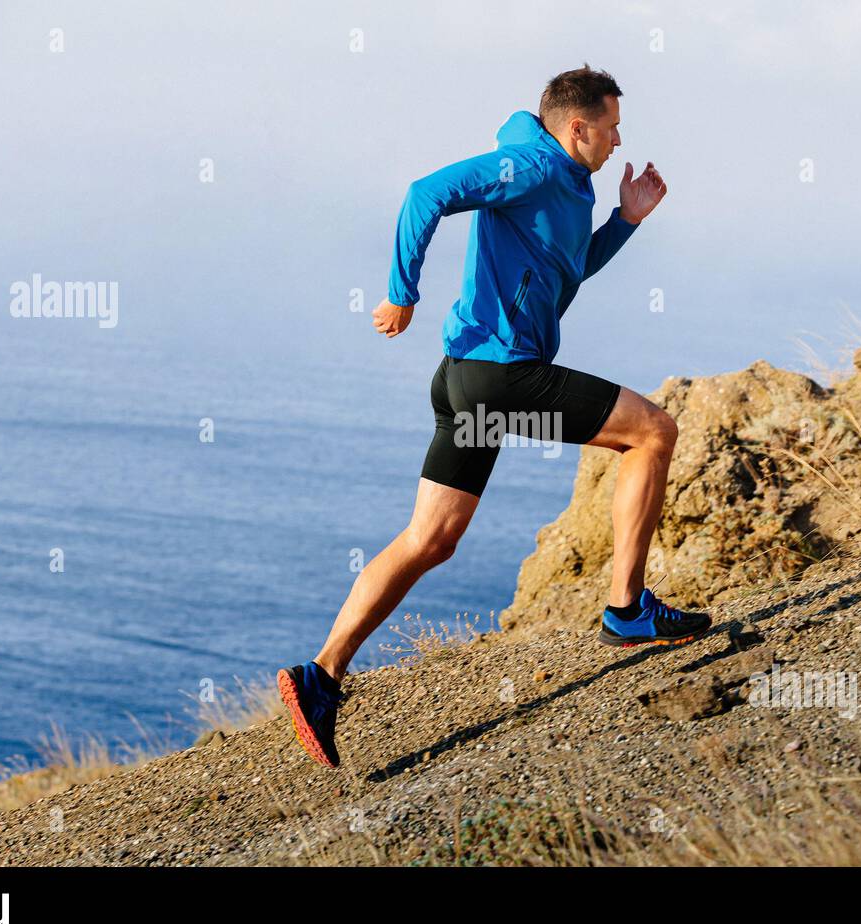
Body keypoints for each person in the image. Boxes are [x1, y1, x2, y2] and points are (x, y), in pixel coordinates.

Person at [278, 65, 711, 768]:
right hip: (504, 375)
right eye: (611, 128)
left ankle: (321, 676)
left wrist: (625, 221)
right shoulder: (530, 166)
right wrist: (402, 293)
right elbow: (426, 193)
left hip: (466, 381)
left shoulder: (567, 180)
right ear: (577, 128)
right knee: (652, 432)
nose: (618, 141)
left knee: (430, 539)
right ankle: (627, 610)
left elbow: (566, 267)